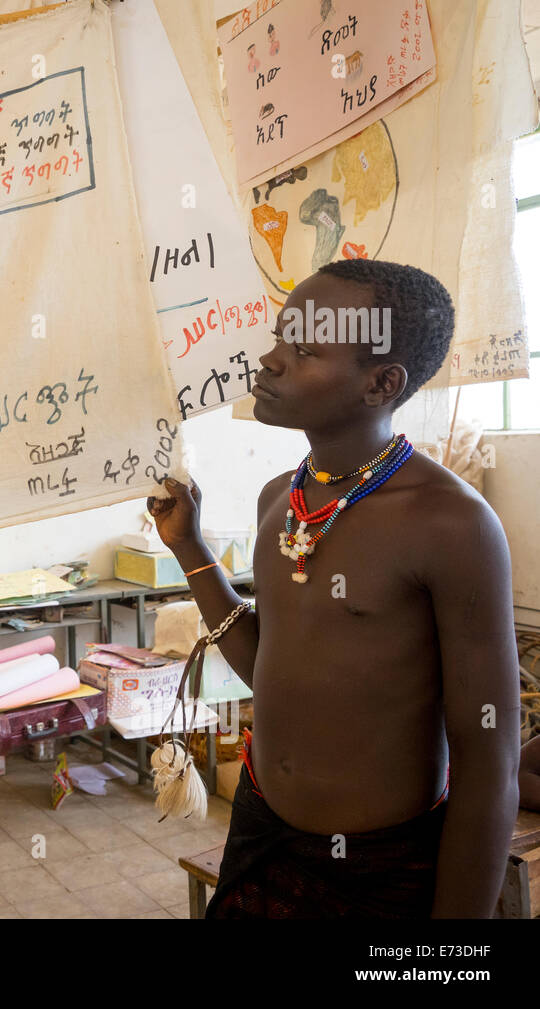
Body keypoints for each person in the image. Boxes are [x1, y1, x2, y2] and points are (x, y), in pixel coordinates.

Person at [147, 259, 519, 918]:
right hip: (262, 830)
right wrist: (189, 547)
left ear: (382, 383)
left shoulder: (452, 525)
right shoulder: (279, 501)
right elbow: (270, 666)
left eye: (304, 348)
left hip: (379, 868)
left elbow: (490, 766)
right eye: (280, 336)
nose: (270, 359)